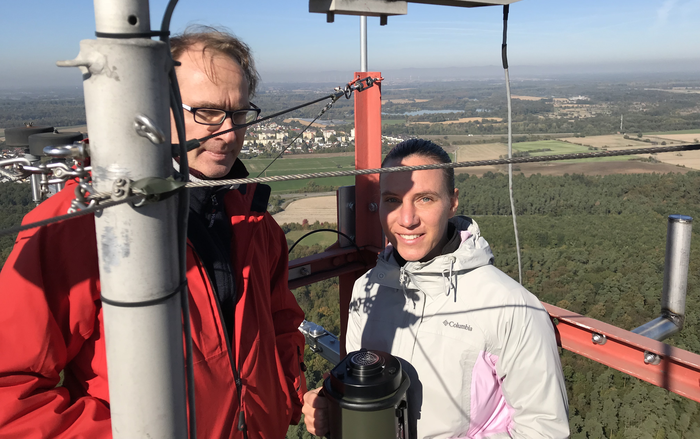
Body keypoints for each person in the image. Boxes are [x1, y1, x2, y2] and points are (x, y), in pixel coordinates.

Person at [0, 28, 306, 438]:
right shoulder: (84, 223)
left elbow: (281, 323)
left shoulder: (253, 221)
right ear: (154, 110)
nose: (229, 134)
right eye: (208, 112)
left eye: (238, 113)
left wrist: (289, 395)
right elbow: (10, 392)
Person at [303, 139, 569, 439]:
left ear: (452, 201)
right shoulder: (367, 289)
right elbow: (360, 395)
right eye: (392, 199)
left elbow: (545, 430)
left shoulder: (510, 306)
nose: (407, 220)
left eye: (425, 199)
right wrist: (331, 411)